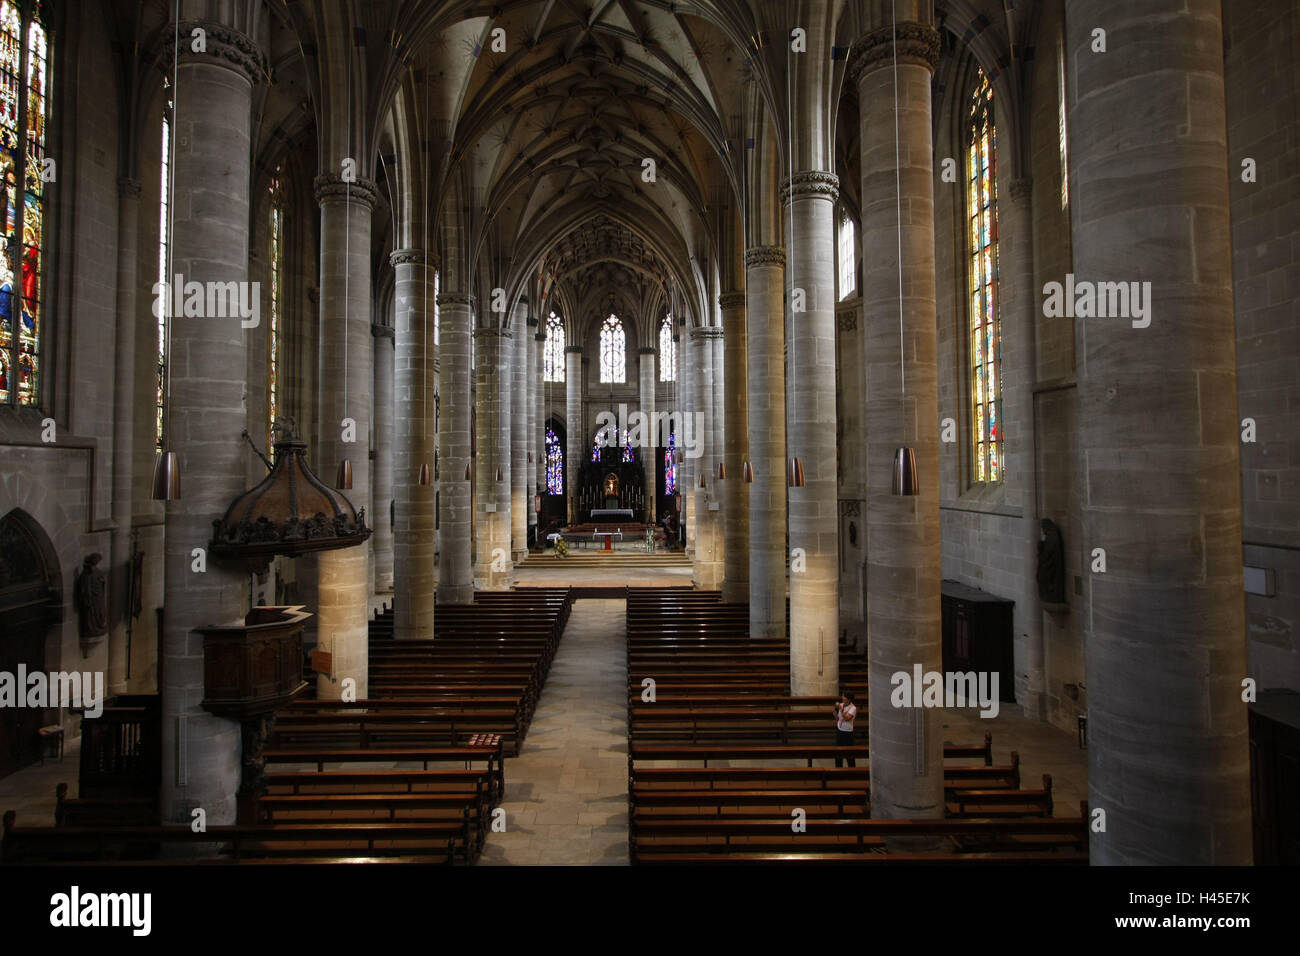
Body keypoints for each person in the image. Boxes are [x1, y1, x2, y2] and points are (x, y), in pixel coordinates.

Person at [833, 692, 858, 768]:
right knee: (838, 752)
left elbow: (847, 718)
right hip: (839, 730)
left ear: (849, 699)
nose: (843, 698)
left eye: (844, 698)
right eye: (843, 697)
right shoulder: (841, 705)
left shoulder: (853, 708)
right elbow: (838, 719)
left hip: (847, 733)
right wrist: (835, 714)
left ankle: (851, 769)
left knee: (849, 753)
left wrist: (841, 709)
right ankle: (838, 768)